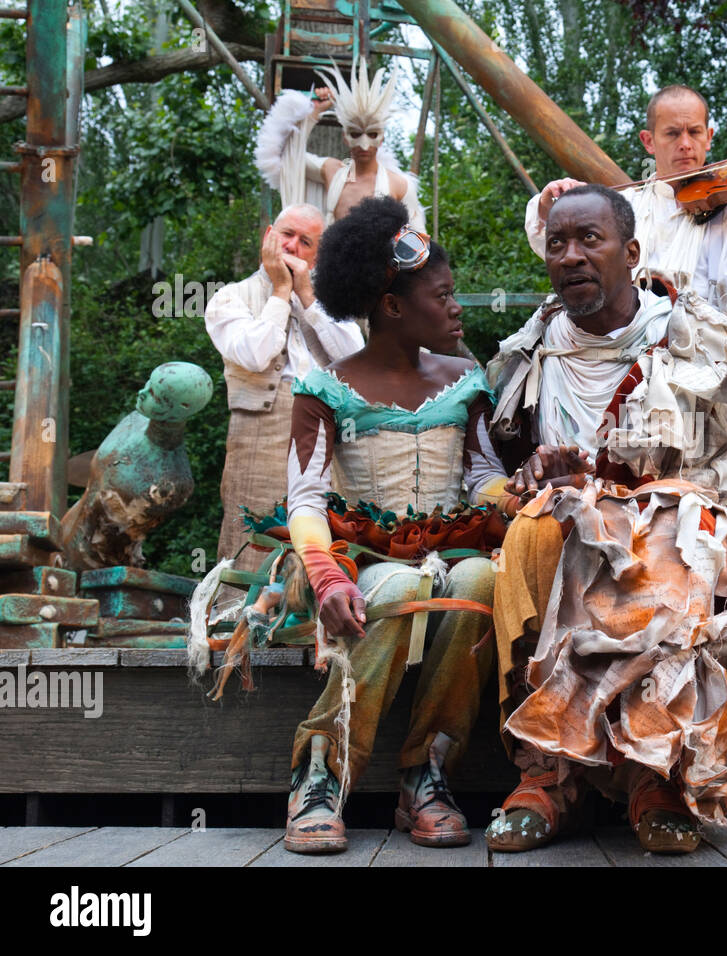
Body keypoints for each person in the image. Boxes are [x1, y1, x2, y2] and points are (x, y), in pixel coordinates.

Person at [485, 184, 727, 855]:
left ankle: (651, 775)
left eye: (589, 240)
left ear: (631, 252)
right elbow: (505, 475)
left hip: (676, 527)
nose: (570, 255)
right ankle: (547, 775)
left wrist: (618, 488)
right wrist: (542, 481)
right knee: (536, 529)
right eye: (557, 244)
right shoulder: (528, 355)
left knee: (673, 535)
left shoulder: (693, 342)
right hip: (566, 526)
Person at [279, 196, 511, 854]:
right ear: (392, 307)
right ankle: (320, 774)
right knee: (399, 591)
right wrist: (324, 577)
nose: (457, 307)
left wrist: (516, 496)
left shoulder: (467, 379)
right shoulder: (323, 388)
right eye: (442, 295)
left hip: (446, 551)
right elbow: (306, 498)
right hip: (359, 563)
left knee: (480, 577)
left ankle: (427, 771)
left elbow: (479, 478)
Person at [523, 84, 727, 319]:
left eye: (694, 132)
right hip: (620, 350)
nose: (686, 144)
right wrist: (550, 207)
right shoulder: (620, 206)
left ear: (709, 137)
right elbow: (559, 249)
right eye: (673, 133)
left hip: (701, 359)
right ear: (648, 141)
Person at [205, 204, 364, 573]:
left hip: (328, 434)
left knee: (325, 536)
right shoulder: (230, 297)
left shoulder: (329, 302)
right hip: (260, 436)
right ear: (267, 237)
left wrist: (307, 295)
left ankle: (316, 626)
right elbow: (255, 355)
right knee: (251, 537)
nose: (292, 246)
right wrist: (280, 291)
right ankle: (235, 625)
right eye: (286, 234)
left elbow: (355, 360)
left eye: (305, 242)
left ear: (318, 255)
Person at [255, 59, 425, 230]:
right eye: (355, 134)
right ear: (345, 136)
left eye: (372, 134)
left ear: (382, 138)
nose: (364, 145)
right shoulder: (331, 171)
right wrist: (314, 112)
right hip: (331, 254)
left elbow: (419, 242)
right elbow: (287, 158)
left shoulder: (399, 185)